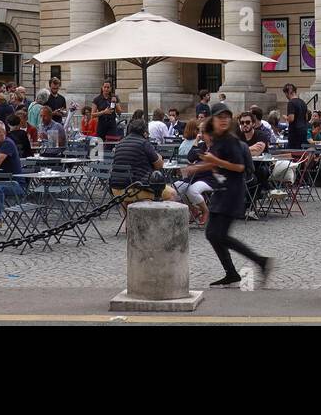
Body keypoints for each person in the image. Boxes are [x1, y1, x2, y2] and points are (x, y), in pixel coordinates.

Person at [184, 103, 272, 288]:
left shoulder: (231, 140)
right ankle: (232, 272)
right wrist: (196, 168)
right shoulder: (218, 140)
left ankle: (260, 262)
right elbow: (215, 162)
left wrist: (214, 161)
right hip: (221, 190)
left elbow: (239, 167)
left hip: (232, 192)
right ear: (213, 120)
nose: (224, 120)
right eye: (219, 117)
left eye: (226, 117)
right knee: (212, 234)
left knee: (219, 235)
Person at [109, 118, 175, 205]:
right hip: (135, 188)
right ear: (144, 131)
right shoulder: (143, 143)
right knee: (172, 194)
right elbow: (159, 165)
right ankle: (158, 218)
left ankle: (129, 218)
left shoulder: (120, 143)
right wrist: (158, 155)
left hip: (116, 189)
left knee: (130, 200)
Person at [284, 84, 309, 149]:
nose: (286, 96)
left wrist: (286, 118)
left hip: (295, 132)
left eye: (286, 94)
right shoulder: (303, 102)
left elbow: (291, 118)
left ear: (288, 92)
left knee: (292, 152)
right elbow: (306, 118)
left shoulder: (291, 103)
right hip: (304, 130)